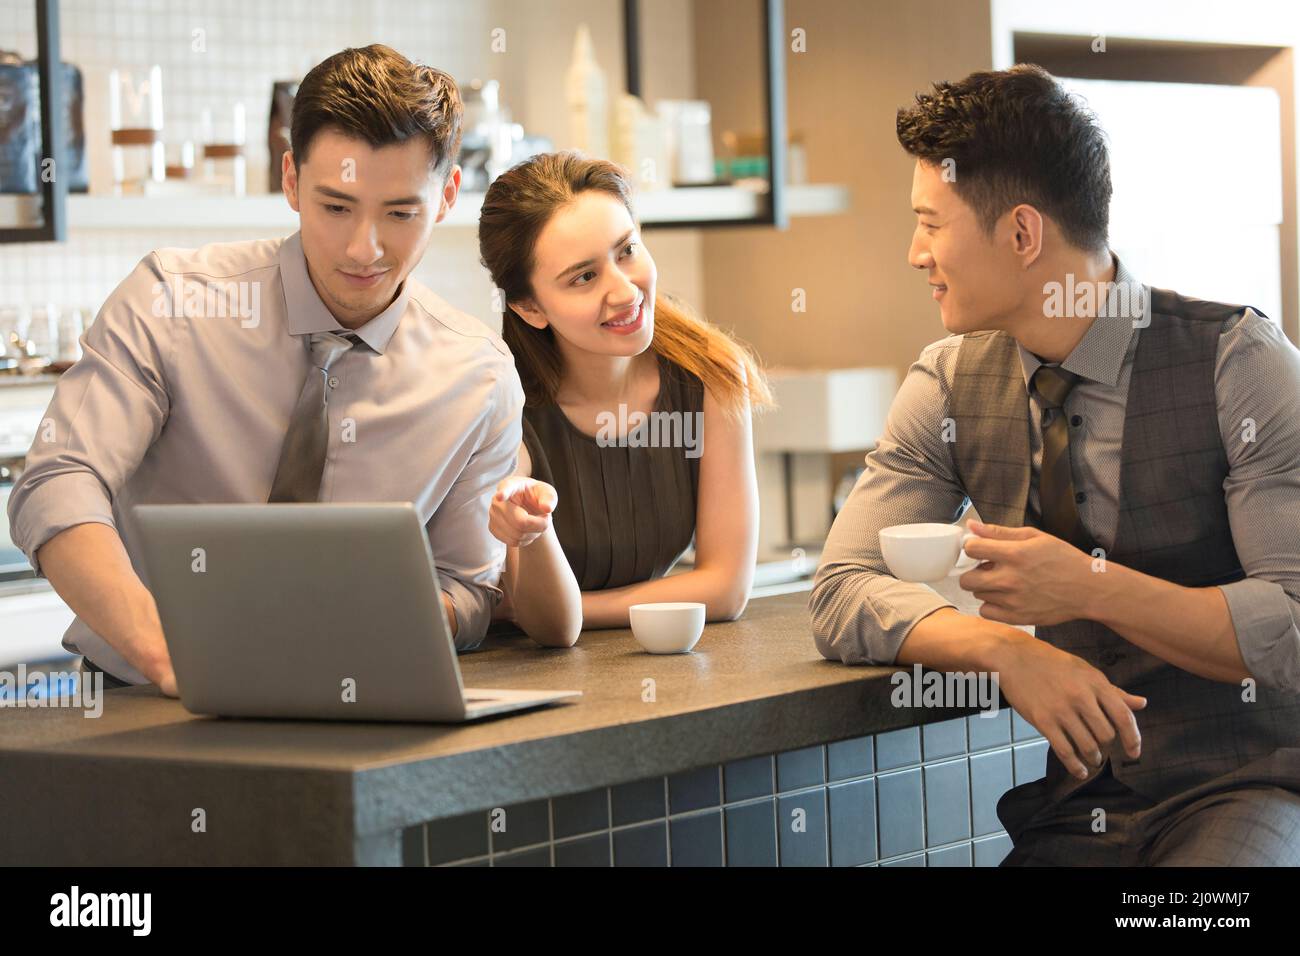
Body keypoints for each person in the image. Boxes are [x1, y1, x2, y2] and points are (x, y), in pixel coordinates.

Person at [811, 64, 1300, 865]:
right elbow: (839, 590)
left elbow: (1292, 624)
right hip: (1085, 803)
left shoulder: (1238, 362)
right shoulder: (949, 382)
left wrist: (1085, 587)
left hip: (1253, 785)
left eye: (931, 224)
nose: (914, 253)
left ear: (1022, 234)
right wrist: (1009, 651)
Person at [6, 45, 523, 695]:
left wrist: (383, 626)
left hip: (357, 699)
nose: (365, 248)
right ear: (290, 180)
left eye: (400, 212)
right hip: (142, 701)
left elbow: (469, 588)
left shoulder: (478, 376)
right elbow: (57, 483)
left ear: (447, 195)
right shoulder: (173, 301)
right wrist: (167, 653)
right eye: (336, 207)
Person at [476, 152, 772, 645]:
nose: (623, 291)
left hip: (654, 661)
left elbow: (725, 589)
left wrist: (575, 608)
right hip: (526, 677)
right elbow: (541, 619)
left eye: (627, 251)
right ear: (530, 308)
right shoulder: (503, 405)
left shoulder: (711, 375)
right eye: (584, 277)